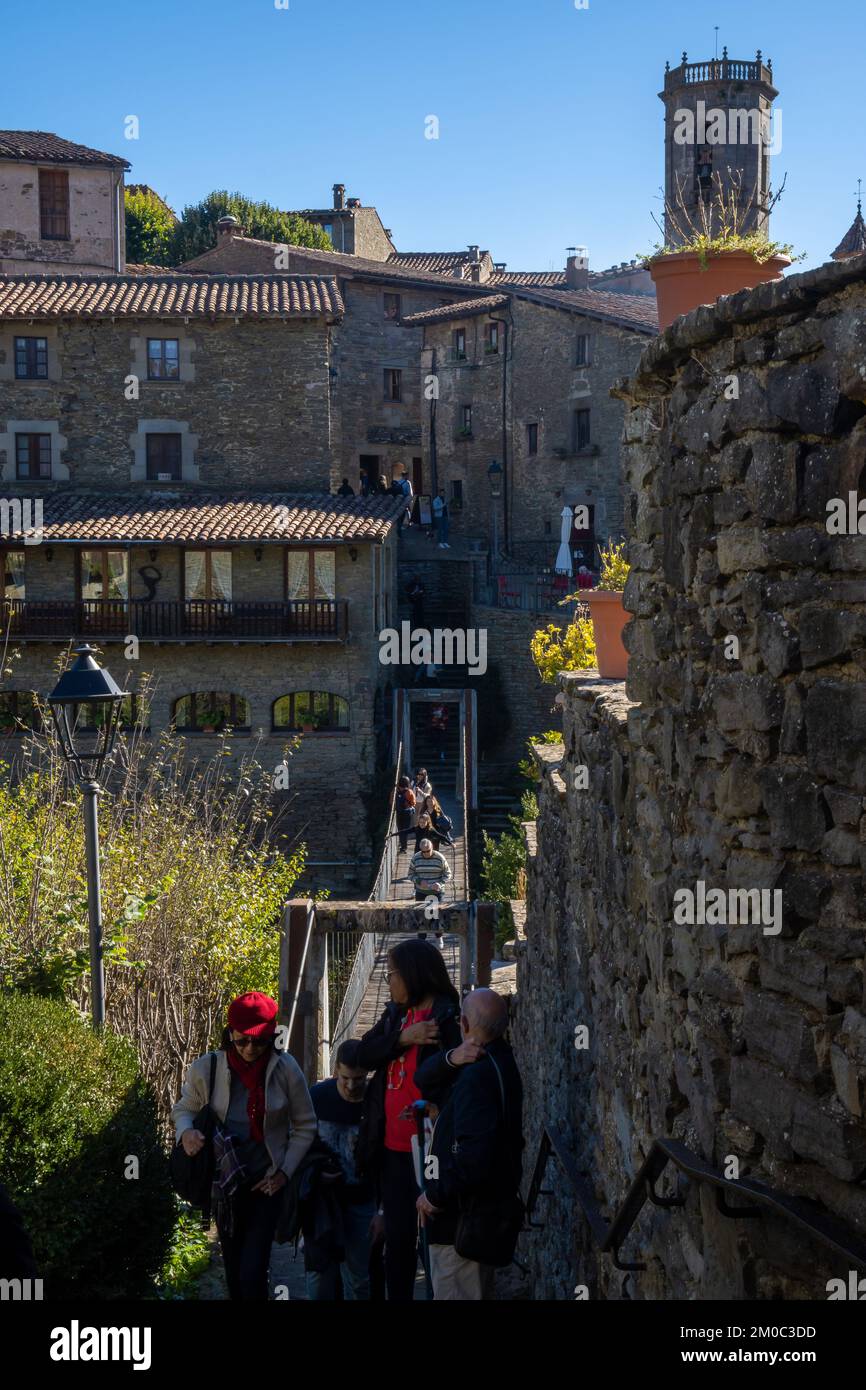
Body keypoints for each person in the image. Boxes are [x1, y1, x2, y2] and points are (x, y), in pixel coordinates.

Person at [172, 991, 317, 1301]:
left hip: (267, 1184)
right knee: (235, 1269)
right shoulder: (207, 1068)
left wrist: (285, 1173)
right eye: (242, 1041)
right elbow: (184, 1109)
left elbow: (306, 1126)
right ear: (230, 1035)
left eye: (260, 1041)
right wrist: (186, 1134)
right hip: (225, 1185)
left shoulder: (286, 1070)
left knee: (254, 1270)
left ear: (272, 1036)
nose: (251, 1048)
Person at [354, 940, 461, 1302]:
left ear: (414, 975)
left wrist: (434, 1106)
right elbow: (361, 1054)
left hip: (431, 1152)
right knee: (398, 1242)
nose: (388, 981)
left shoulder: (447, 1017)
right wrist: (403, 1038)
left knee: (435, 1242)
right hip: (392, 1150)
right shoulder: (395, 1016)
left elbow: (460, 1081)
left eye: (393, 974)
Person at [415, 989, 524, 1301]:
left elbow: (473, 1158)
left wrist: (434, 1196)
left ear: (463, 1023)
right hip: (484, 1216)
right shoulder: (500, 1061)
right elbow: (425, 1078)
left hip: (460, 1224)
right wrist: (452, 1057)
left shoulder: (477, 1076)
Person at [305, 1040, 376, 1301]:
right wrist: (314, 1175)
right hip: (323, 1201)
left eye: (358, 1079)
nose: (351, 1085)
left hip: (361, 1200)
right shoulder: (317, 1097)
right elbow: (299, 1143)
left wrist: (382, 1210)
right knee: (318, 1272)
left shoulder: (375, 1101)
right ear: (335, 1070)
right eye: (345, 1078)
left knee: (357, 1278)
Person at [408, 838, 452, 903]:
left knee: (437, 913)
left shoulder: (440, 858)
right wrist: (418, 881)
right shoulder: (415, 858)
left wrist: (440, 883)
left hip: (437, 892)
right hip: (421, 893)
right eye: (423, 851)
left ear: (432, 847)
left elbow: (448, 874)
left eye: (428, 851)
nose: (426, 853)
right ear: (421, 850)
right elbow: (410, 875)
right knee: (420, 913)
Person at [395, 775, 416, 852]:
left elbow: (391, 802)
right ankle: (404, 846)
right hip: (407, 813)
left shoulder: (395, 791)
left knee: (400, 829)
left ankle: (402, 844)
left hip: (399, 812)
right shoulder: (409, 792)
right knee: (405, 830)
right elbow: (414, 803)